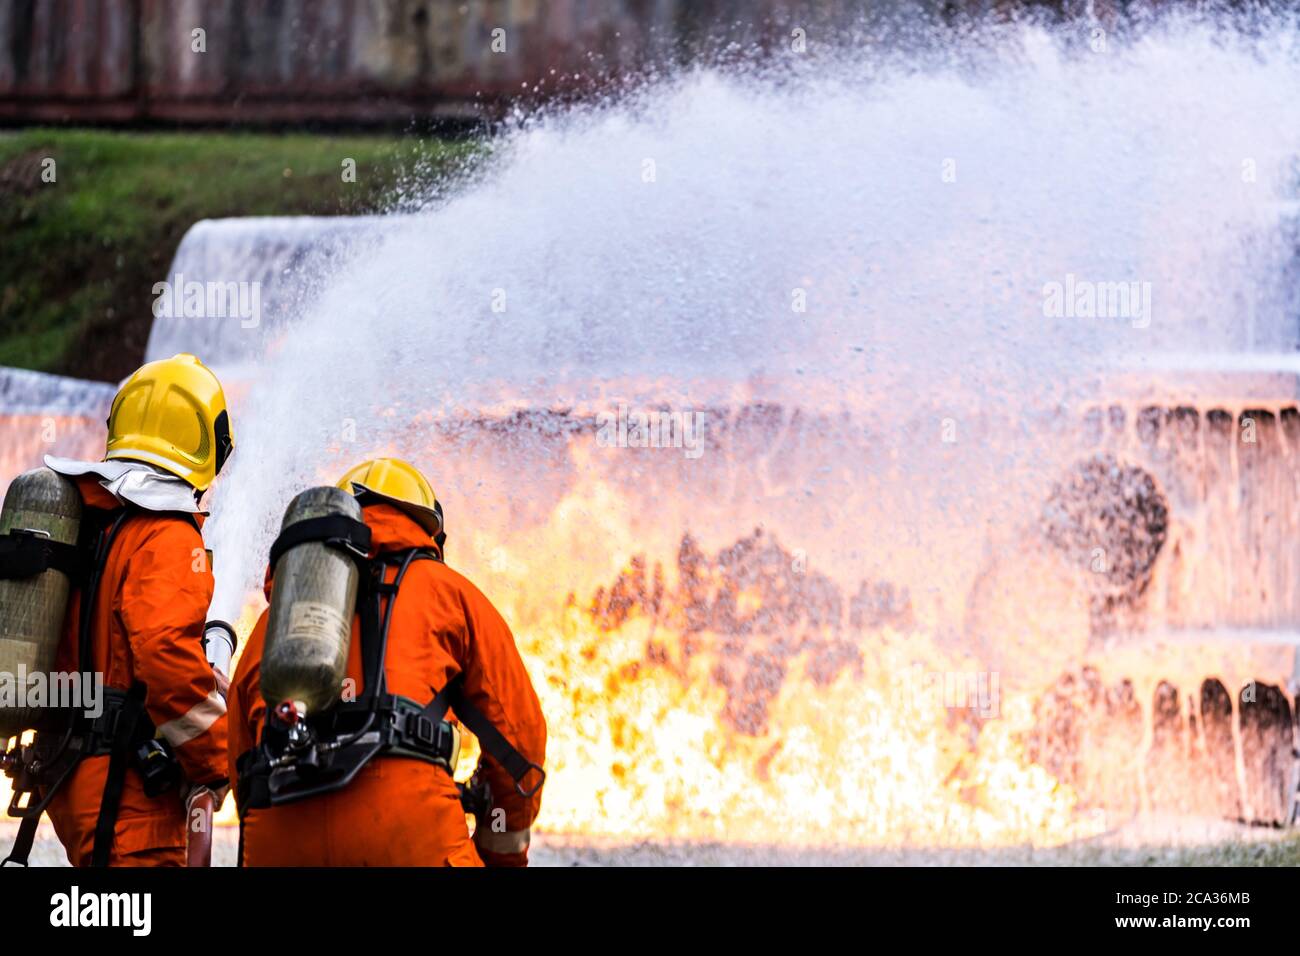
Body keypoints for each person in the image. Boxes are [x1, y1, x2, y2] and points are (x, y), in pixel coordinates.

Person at [229, 457, 547, 866]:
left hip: (280, 834)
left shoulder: (279, 621)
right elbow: (521, 740)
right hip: (409, 834)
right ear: (426, 526)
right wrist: (497, 848)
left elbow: (241, 758)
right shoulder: (448, 592)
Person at [6, 353, 234, 867]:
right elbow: (162, 656)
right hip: (128, 797)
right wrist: (218, 758)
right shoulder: (167, 533)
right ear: (205, 442)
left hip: (70, 774)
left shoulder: (91, 523)